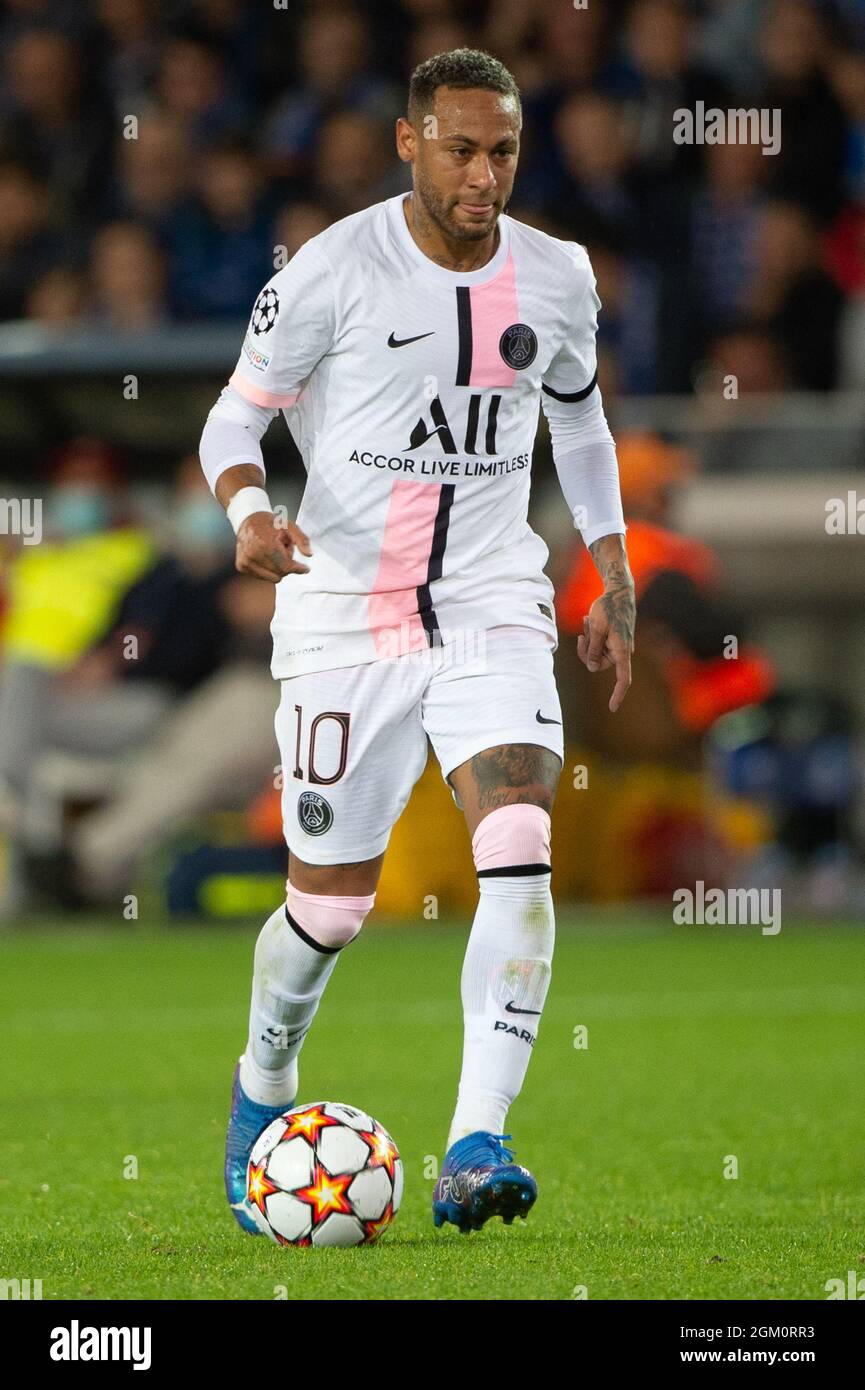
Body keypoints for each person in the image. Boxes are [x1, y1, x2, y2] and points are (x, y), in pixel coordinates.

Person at [199, 47, 635, 1238]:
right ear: (409, 144)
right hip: (346, 610)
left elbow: (580, 417)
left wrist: (610, 562)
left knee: (519, 842)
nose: (482, 173)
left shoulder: (556, 276)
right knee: (329, 907)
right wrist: (248, 514)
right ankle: (263, 1087)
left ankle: (477, 1140)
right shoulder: (333, 269)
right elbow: (235, 416)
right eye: (459, 148)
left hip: (493, 599)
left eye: (500, 150)